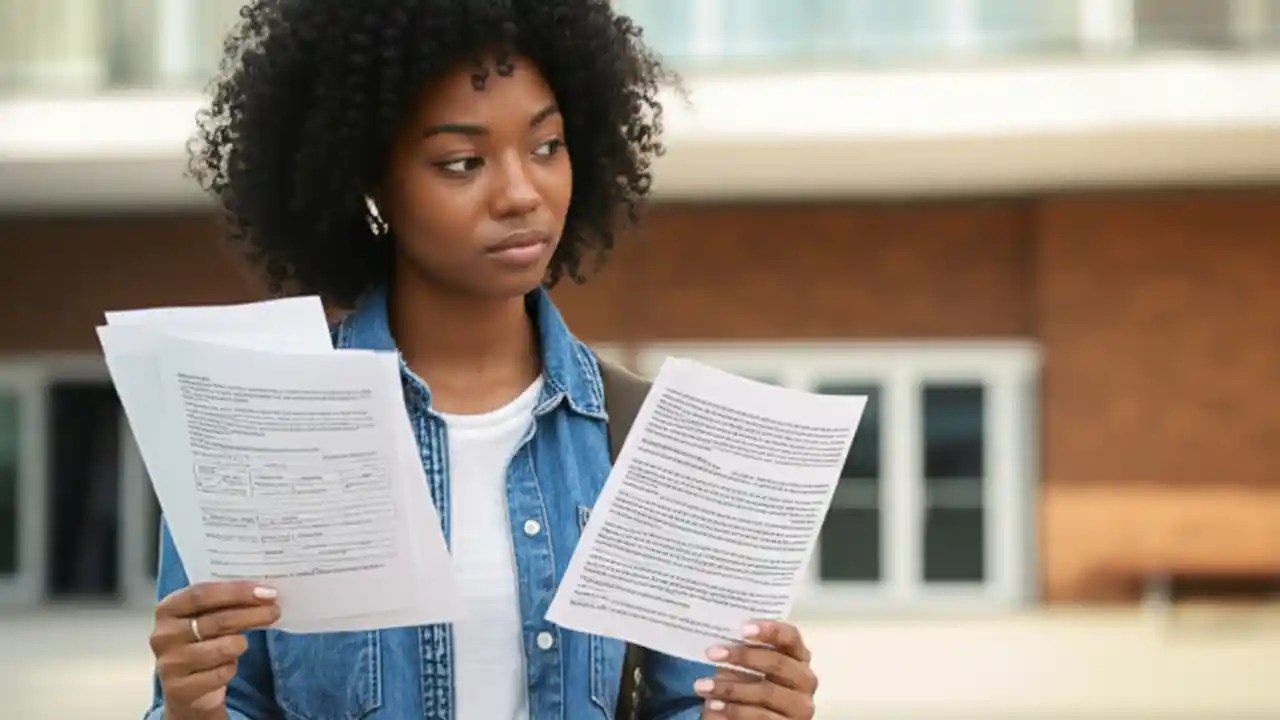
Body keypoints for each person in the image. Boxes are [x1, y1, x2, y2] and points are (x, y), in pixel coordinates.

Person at [145, 1, 820, 719]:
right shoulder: (262, 424)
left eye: (547, 146)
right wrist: (191, 708)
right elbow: (224, 704)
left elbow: (689, 702)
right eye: (462, 162)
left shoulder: (652, 437)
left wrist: (753, 710)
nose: (521, 193)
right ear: (372, 183)